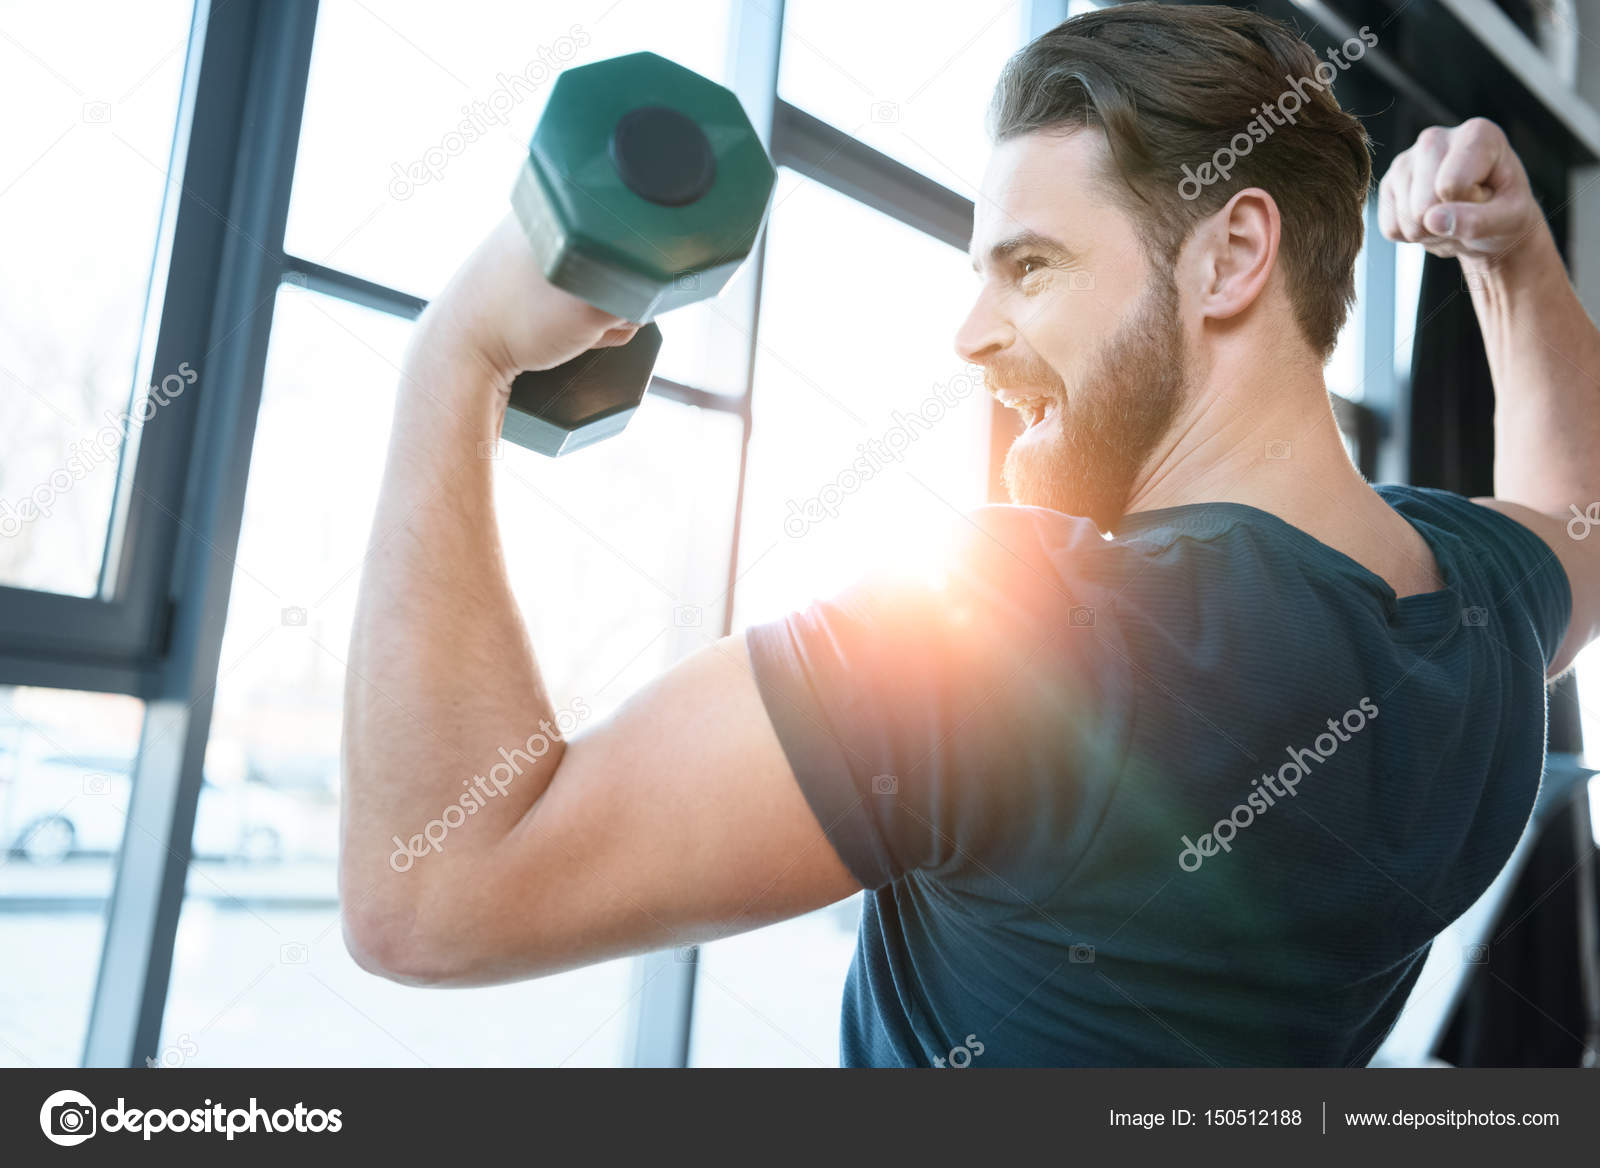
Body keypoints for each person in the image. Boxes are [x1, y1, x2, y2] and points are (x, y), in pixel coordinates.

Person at [339, 3, 1597, 1066]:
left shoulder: (1033, 632)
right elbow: (1576, 516)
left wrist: (457, 355)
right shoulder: (1471, 617)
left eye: (1031, 266)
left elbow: (432, 893)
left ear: (1230, 258)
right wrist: (1518, 256)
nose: (971, 335)